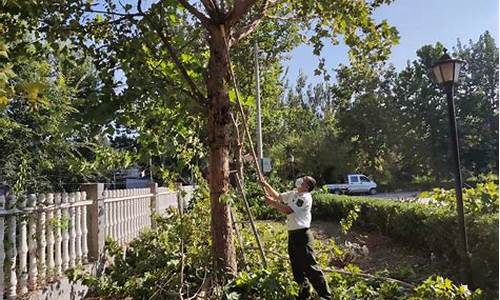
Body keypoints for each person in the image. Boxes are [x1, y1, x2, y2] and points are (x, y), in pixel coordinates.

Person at [259, 176, 331, 300]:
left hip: (302, 236)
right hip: (292, 235)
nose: (299, 180)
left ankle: (325, 296)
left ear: (307, 186)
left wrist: (272, 204)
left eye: (303, 180)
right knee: (297, 267)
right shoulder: (294, 193)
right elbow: (278, 196)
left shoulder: (305, 198)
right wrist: (265, 185)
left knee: (310, 266)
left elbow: (288, 210)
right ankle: (304, 294)